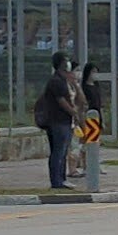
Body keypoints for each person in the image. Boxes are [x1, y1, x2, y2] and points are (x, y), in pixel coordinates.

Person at [44, 51, 80, 189]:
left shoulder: (63, 80)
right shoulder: (56, 81)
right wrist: (74, 113)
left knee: (63, 152)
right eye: (66, 61)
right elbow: (62, 101)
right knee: (58, 152)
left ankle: (62, 178)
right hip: (58, 121)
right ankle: (56, 181)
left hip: (64, 121)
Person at [81, 63, 104, 174]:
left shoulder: (96, 86)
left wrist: (102, 118)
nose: (95, 75)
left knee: (96, 142)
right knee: (88, 142)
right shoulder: (84, 87)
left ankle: (95, 164)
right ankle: (86, 165)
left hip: (97, 116)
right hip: (89, 117)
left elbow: (99, 103)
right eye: (93, 72)